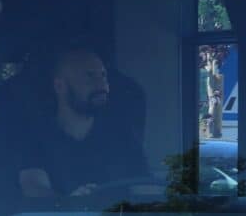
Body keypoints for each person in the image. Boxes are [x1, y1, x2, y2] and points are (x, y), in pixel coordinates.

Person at [11, 46, 148, 203]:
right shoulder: (36, 138)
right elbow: (33, 187)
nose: (101, 85)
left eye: (103, 76)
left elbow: (144, 187)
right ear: (59, 86)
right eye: (90, 76)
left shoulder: (123, 138)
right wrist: (68, 206)